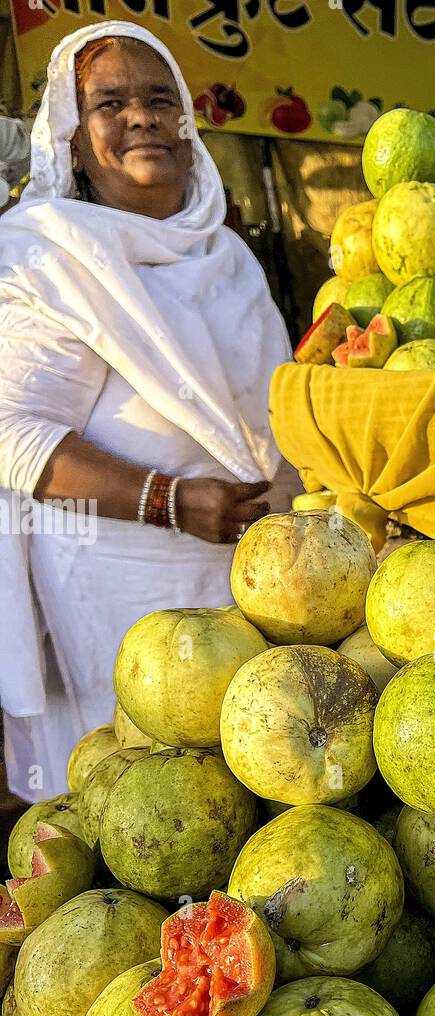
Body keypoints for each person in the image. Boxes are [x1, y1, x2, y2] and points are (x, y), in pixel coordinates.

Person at [0, 21, 298, 802]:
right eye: (110, 103)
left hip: (257, 577)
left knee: (250, 782)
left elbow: (278, 412)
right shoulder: (47, 254)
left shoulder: (226, 256)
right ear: (70, 137)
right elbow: (12, 435)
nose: (141, 117)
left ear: (188, 127)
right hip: (123, 588)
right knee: (139, 795)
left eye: (160, 100)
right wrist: (168, 501)